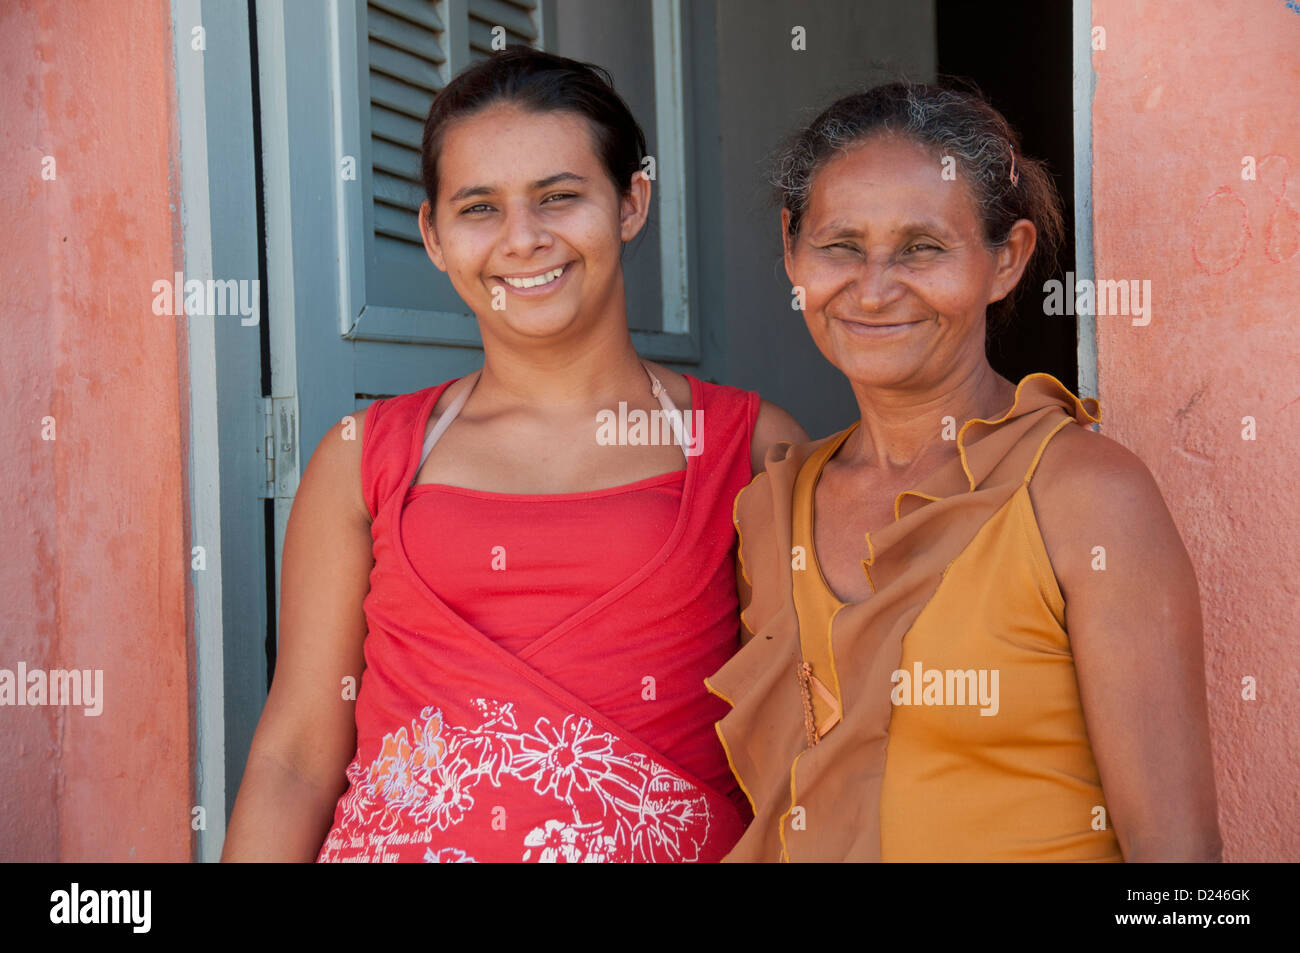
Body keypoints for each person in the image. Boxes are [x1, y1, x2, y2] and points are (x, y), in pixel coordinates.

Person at [221, 46, 806, 863]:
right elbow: (293, 758)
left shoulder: (751, 448)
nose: (523, 239)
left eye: (560, 197)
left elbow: (804, 753)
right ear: (432, 233)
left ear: (632, 201)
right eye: (478, 208)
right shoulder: (368, 458)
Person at [706, 81, 1222, 862]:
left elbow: (1184, 877)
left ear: (1006, 261)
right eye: (840, 244)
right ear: (791, 250)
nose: (874, 288)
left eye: (922, 247)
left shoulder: (1084, 497)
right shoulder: (775, 508)